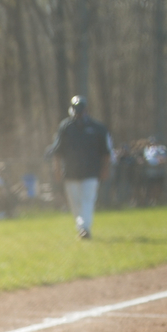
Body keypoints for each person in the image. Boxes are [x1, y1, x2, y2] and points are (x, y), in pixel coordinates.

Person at [46, 95, 112, 239]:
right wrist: (57, 169)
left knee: (87, 200)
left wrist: (105, 169)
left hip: (91, 172)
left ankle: (84, 228)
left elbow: (106, 152)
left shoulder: (97, 128)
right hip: (71, 173)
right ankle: (82, 226)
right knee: (75, 203)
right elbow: (57, 151)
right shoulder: (66, 127)